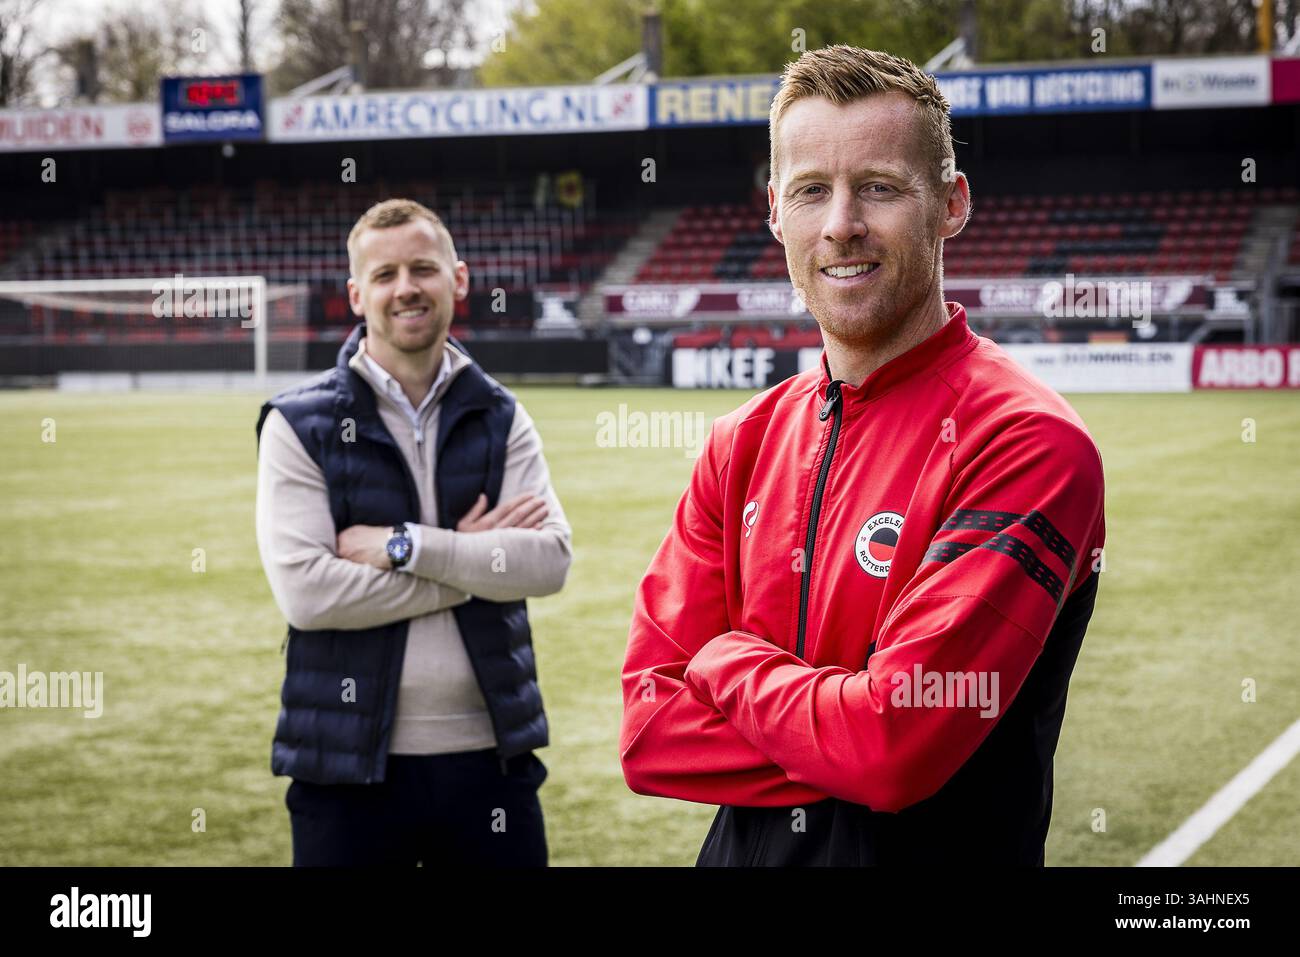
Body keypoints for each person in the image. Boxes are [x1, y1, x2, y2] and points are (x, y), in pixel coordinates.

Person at [619, 45, 1106, 866]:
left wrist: (727, 660)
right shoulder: (741, 441)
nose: (841, 222)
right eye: (812, 190)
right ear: (776, 211)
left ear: (950, 204)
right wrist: (841, 727)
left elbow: (892, 745)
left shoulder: (1027, 442)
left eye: (878, 186)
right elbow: (647, 731)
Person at [256, 198, 571, 866]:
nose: (406, 288)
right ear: (356, 294)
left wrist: (407, 547)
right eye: (385, 273)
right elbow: (309, 596)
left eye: (423, 268)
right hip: (344, 769)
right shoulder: (298, 424)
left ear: (457, 279)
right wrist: (475, 563)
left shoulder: (500, 414)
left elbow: (547, 562)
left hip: (493, 762)